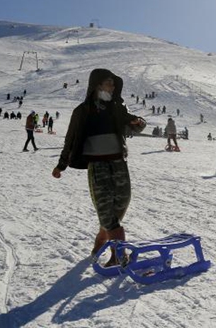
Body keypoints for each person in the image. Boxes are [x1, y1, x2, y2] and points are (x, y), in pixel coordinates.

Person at [51, 68, 146, 264]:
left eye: (113, 83)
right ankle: (119, 256)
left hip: (119, 162)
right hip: (97, 165)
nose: (112, 87)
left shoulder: (117, 107)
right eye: (108, 83)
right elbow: (70, 139)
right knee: (105, 208)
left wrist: (139, 123)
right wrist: (61, 165)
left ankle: (101, 239)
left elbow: (133, 124)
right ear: (97, 85)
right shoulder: (82, 111)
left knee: (121, 204)